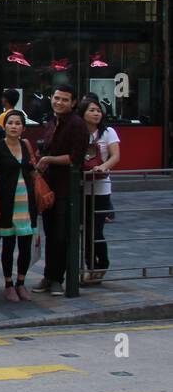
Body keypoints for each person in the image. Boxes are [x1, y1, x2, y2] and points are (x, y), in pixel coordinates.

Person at [32, 84, 87, 295]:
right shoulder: (51, 121)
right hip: (48, 188)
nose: (59, 102)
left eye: (65, 99)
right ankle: (48, 276)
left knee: (62, 236)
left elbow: (76, 158)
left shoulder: (77, 124)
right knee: (50, 233)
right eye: (57, 98)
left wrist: (48, 159)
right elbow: (44, 147)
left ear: (73, 103)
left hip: (66, 190)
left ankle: (57, 279)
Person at [0, 110, 38, 302]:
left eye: (18, 123)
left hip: (26, 202)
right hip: (6, 203)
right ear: (5, 125)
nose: (14, 126)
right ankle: (8, 284)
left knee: (26, 246)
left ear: (23, 128)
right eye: (11, 123)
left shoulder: (25, 145)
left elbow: (32, 171)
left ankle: (21, 282)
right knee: (8, 246)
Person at [81, 99, 120, 285]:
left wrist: (103, 167)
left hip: (102, 188)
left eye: (98, 110)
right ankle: (90, 267)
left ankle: (102, 264)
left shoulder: (108, 132)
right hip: (82, 188)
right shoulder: (79, 133)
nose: (96, 113)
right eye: (92, 110)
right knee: (85, 231)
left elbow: (116, 156)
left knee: (96, 230)